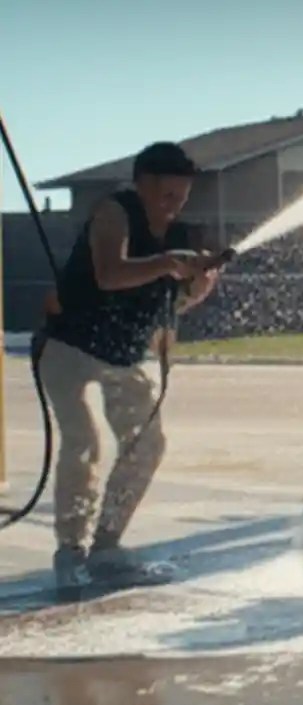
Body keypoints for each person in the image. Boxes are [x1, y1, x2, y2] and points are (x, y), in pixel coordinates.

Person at [41, 142, 221, 591]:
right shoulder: (114, 212)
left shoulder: (181, 237)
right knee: (84, 441)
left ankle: (106, 544)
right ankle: (70, 550)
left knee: (148, 445)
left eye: (181, 198)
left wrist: (199, 286)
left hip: (125, 355)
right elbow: (109, 273)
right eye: (165, 198)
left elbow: (176, 301)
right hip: (70, 347)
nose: (173, 208)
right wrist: (166, 264)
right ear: (141, 185)